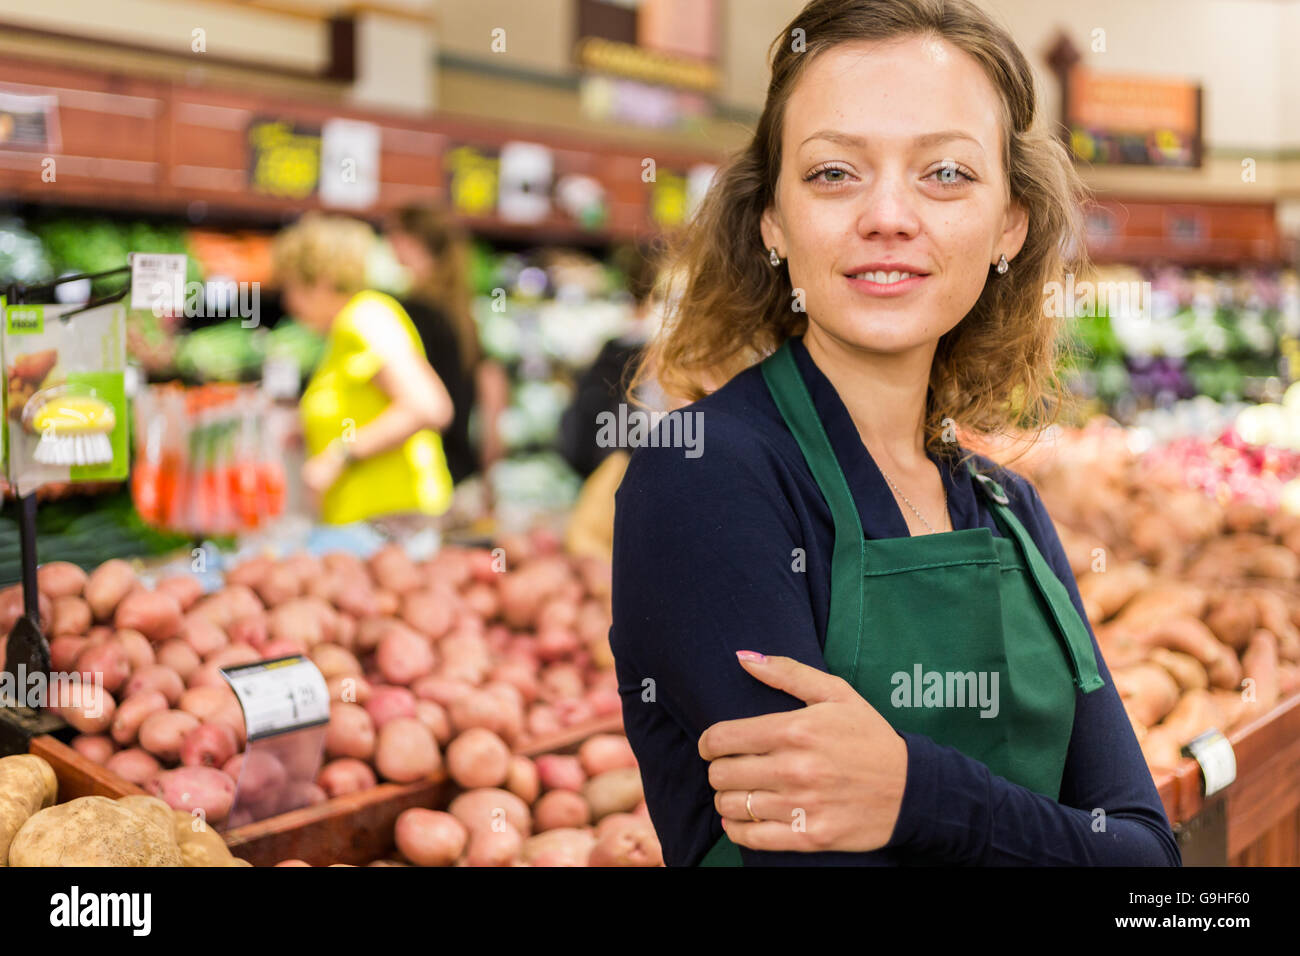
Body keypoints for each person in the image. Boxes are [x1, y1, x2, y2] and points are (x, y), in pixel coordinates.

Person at [610, 0, 1181, 866]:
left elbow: (1150, 864)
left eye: (945, 173)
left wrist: (915, 793)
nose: (888, 214)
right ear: (771, 220)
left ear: (1009, 225)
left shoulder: (1008, 510)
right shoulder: (703, 474)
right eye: (834, 172)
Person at [274, 212, 455, 528]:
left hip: (394, 523)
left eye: (292, 287)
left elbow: (428, 406)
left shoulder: (365, 318)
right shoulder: (344, 332)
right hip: (370, 524)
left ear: (322, 280)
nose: (289, 302)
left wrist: (337, 456)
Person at [386, 205, 508, 486]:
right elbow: (492, 377)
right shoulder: (459, 311)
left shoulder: (411, 312)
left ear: (409, 240)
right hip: (460, 464)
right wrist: (491, 443)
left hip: (425, 470)